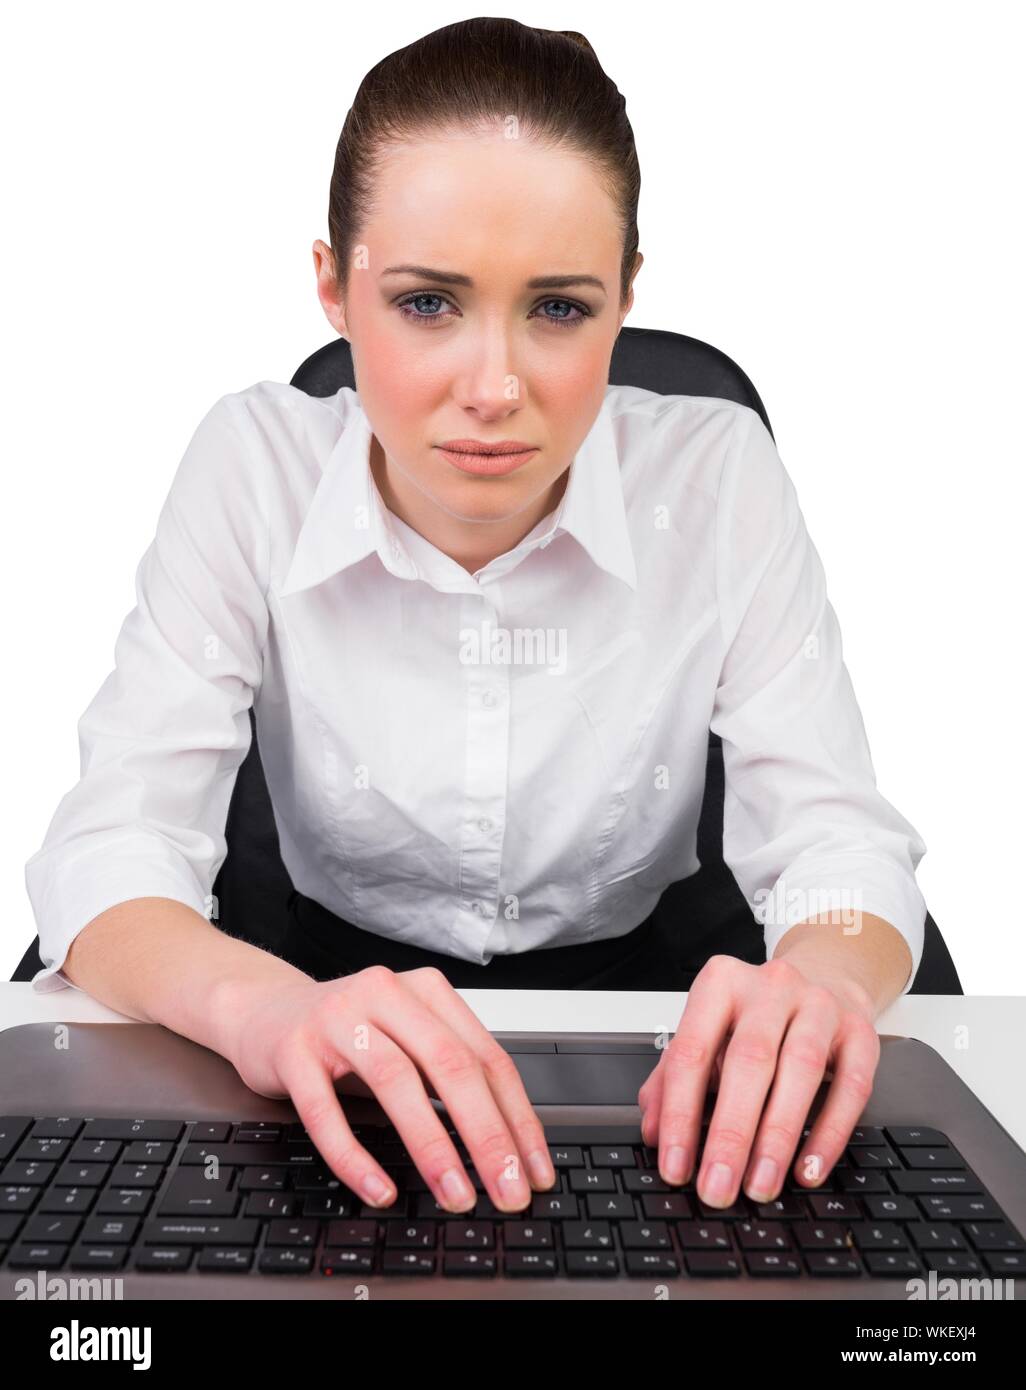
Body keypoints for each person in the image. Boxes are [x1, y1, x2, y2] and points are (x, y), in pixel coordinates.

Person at [24, 18, 928, 1220]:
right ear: (335, 288)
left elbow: (839, 851)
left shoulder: (717, 479)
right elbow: (110, 846)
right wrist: (265, 1009)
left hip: (649, 1002)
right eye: (428, 302)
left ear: (625, 300)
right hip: (323, 987)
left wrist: (818, 978)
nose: (494, 388)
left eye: (558, 308)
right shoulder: (249, 468)